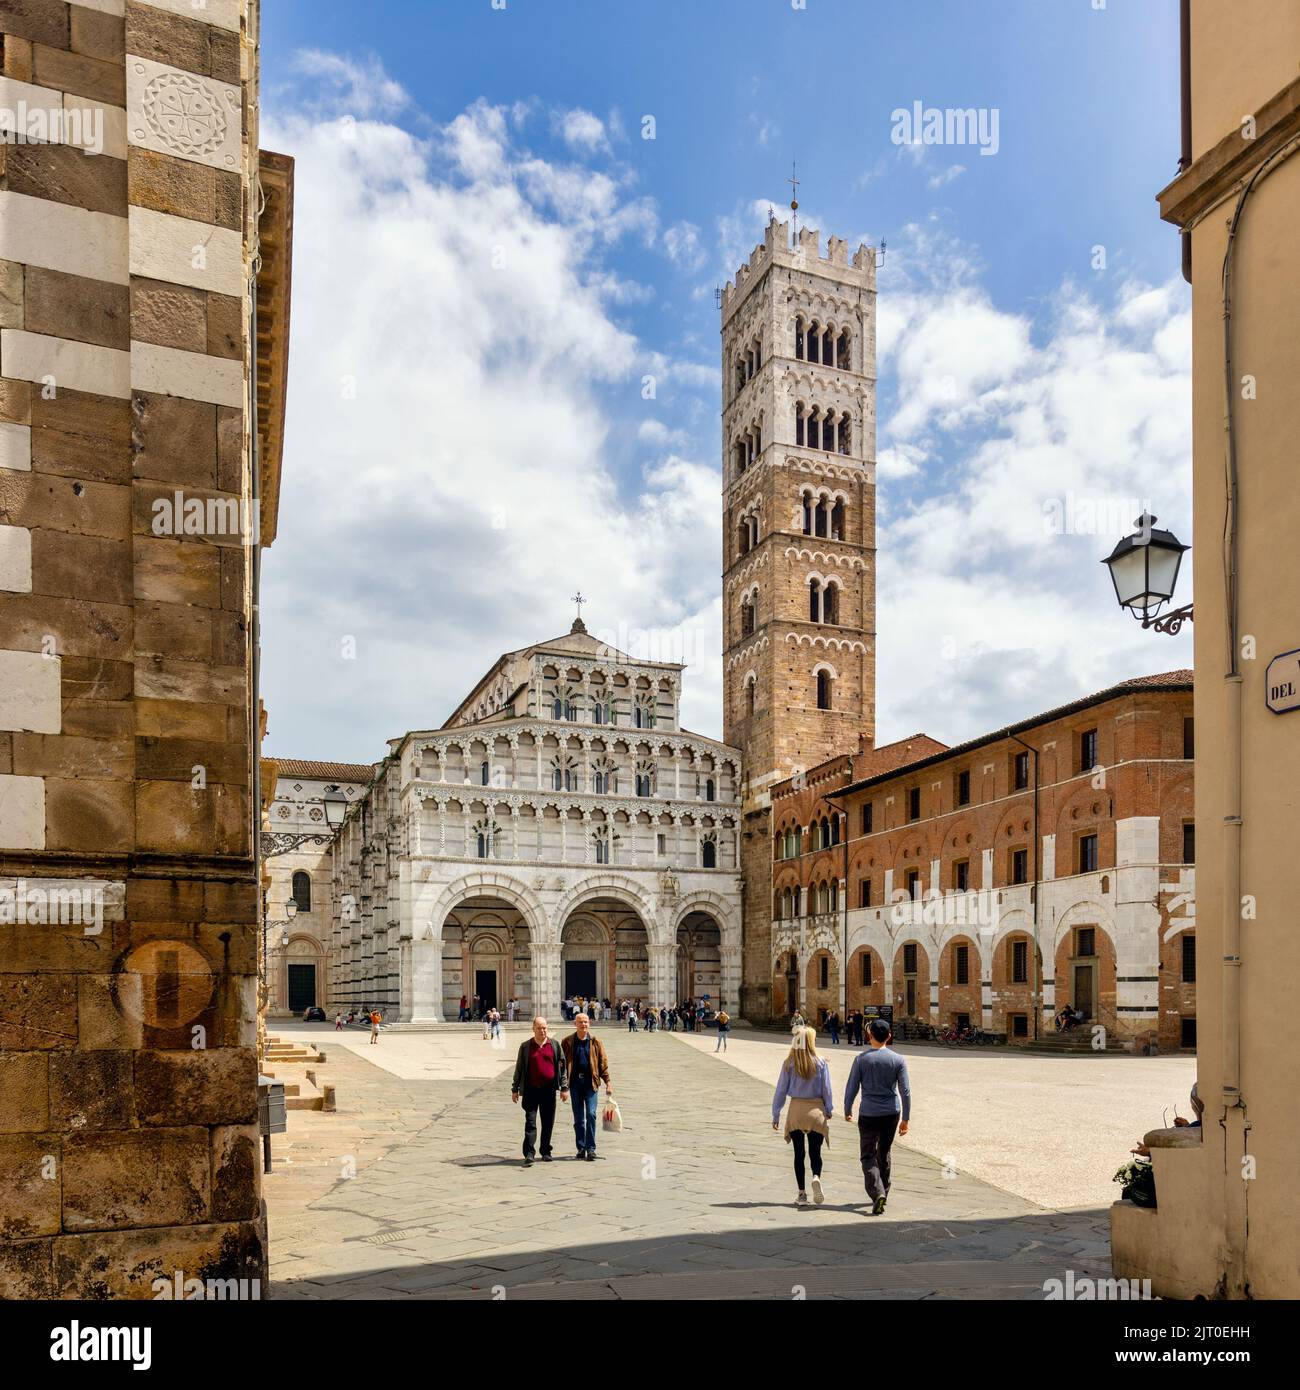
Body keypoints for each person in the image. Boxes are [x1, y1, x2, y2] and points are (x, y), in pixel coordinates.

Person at [844, 1018, 911, 1215]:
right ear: (889, 1036)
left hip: (869, 1112)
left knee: (868, 1155)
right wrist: (906, 1118)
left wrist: (847, 1108)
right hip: (891, 1112)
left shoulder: (861, 1059)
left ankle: (877, 1192)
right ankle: (884, 1192)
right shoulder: (898, 1060)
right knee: (884, 1151)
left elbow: (852, 1087)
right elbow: (905, 1091)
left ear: (869, 1035)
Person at [771, 1026, 834, 1206]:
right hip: (816, 1110)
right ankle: (816, 1177)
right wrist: (829, 1109)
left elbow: (781, 1090)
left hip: (796, 1109)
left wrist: (776, 1114)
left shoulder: (789, 1063)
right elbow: (827, 1089)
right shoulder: (820, 1062)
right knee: (815, 1152)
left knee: (799, 1153)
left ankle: (802, 1194)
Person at [510, 1017, 569, 1166]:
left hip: (549, 1090)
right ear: (533, 1029)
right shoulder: (525, 1046)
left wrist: (564, 1087)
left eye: (544, 1028)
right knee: (530, 1122)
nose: (542, 1031)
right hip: (531, 1089)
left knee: (548, 1122)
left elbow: (562, 1068)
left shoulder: (554, 1045)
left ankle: (546, 1151)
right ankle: (529, 1153)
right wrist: (515, 1089)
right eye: (539, 1028)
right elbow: (519, 1068)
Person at [561, 1012, 612, 1161]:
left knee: (591, 1114)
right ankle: (581, 1147)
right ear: (575, 1024)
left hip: (591, 1083)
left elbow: (602, 1063)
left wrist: (608, 1082)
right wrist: (563, 1087)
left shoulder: (596, 1042)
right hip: (575, 1084)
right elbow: (561, 1065)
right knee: (578, 1118)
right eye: (580, 1022)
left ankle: (591, 1148)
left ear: (589, 1023)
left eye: (585, 1022)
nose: (583, 1024)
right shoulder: (567, 1042)